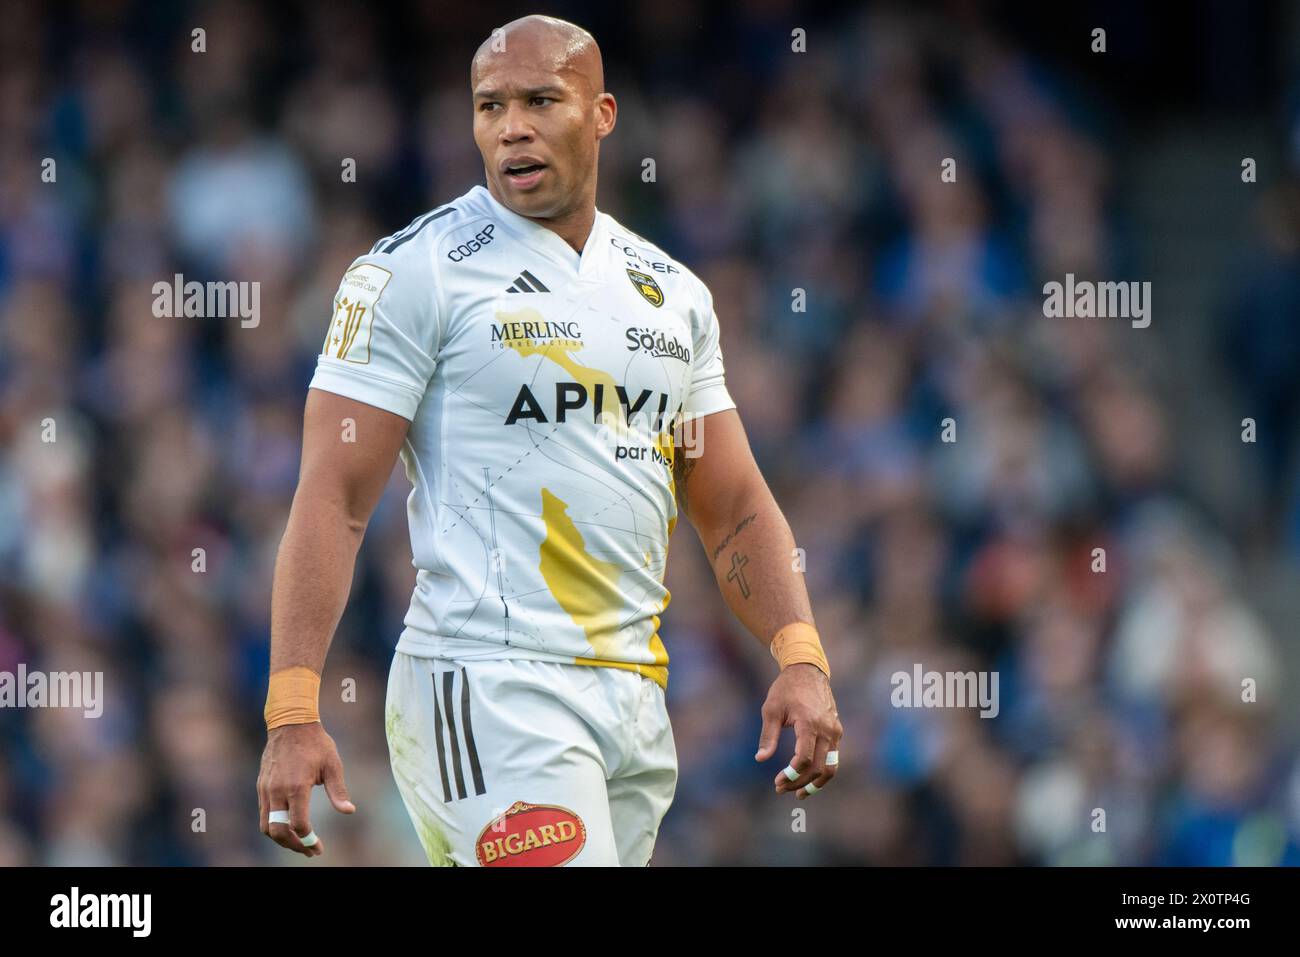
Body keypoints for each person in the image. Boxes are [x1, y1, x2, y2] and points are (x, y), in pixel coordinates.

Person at [256, 13, 842, 866]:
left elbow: (736, 505)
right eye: (490, 106)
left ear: (602, 115)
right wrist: (291, 708)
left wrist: (800, 655)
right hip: (486, 683)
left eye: (540, 100)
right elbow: (334, 499)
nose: (512, 126)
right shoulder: (412, 272)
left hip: (635, 699)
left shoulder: (671, 294)